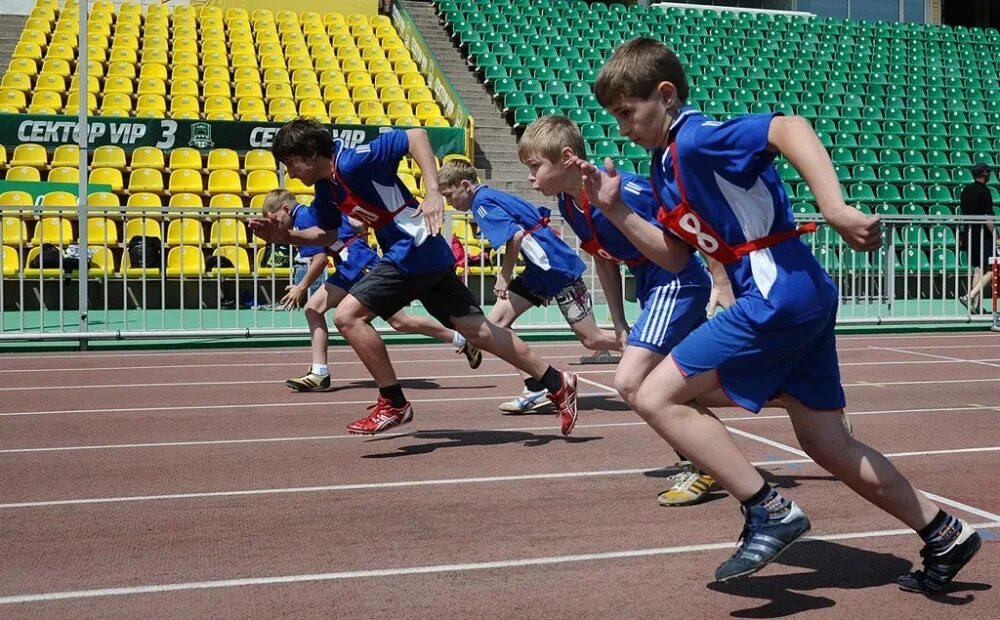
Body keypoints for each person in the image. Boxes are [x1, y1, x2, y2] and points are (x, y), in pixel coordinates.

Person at [571, 38, 981, 590]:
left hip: (777, 292)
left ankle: (768, 508)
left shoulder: (694, 139)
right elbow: (673, 255)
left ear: (665, 95)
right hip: (794, 292)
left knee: (650, 390)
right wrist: (616, 209)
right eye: (614, 117)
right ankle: (943, 531)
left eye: (627, 112)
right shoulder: (666, 163)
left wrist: (834, 207)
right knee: (826, 443)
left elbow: (789, 128)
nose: (621, 127)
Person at [250, 119, 579, 436]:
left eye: (291, 163)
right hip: (424, 250)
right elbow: (327, 233)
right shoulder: (326, 187)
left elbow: (416, 136)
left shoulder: (353, 162)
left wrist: (433, 191)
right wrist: (287, 237)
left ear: (311, 153)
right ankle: (555, 382)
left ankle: (393, 403)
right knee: (477, 331)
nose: (290, 173)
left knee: (348, 317)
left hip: (413, 247)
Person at [518, 114, 720, 507]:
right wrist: (620, 322)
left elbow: (694, 229)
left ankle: (703, 465)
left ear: (566, 158)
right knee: (695, 380)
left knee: (633, 381)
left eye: (535, 167)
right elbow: (604, 259)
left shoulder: (628, 190)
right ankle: (792, 394)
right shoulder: (568, 202)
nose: (530, 177)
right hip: (652, 288)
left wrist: (721, 278)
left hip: (677, 284)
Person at [437, 158, 625, 415]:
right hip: (539, 270)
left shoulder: (482, 203)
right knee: (495, 326)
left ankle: (650, 345)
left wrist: (504, 276)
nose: (449, 202)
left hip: (556, 268)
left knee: (591, 339)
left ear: (466, 185)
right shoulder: (490, 197)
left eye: (449, 195)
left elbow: (515, 237)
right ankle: (535, 385)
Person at [260, 189, 483, 392]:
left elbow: (319, 259)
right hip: (347, 267)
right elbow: (354, 224)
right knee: (313, 309)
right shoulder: (312, 212)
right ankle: (319, 372)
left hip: (361, 266)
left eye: (274, 220)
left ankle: (462, 340)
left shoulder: (303, 219)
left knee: (400, 321)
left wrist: (301, 287)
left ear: (286, 210)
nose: (274, 226)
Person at [958, 163, 997, 313]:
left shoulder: (966, 191)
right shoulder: (984, 191)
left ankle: (976, 307)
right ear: (984, 174)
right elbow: (987, 217)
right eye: (988, 172)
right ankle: (970, 295)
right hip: (983, 236)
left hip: (970, 234)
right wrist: (995, 235)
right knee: (993, 269)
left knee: (979, 269)